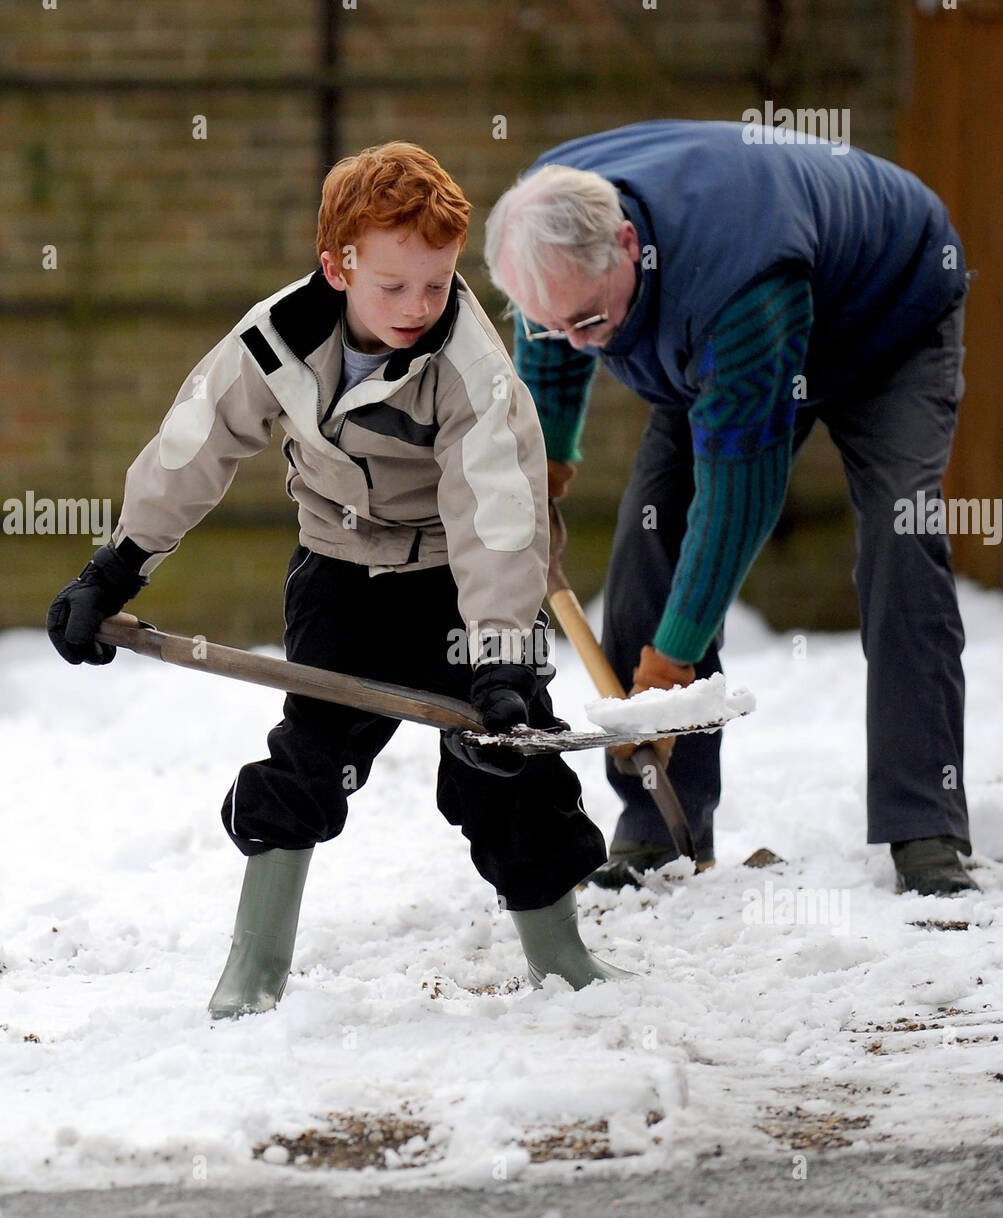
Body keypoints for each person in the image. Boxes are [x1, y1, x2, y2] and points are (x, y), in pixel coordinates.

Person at [46, 141, 629, 1018]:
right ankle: (253, 972)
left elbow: (496, 517)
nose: (417, 307)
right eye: (392, 287)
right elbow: (192, 448)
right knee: (312, 756)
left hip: (455, 582)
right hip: (339, 575)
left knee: (506, 765)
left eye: (434, 285)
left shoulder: (472, 368)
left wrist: (501, 658)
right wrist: (114, 568)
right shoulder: (275, 340)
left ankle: (562, 956)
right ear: (336, 267)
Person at [484, 118, 978, 897]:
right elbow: (549, 357)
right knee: (649, 532)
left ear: (623, 243)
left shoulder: (735, 283)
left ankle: (925, 828)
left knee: (898, 535)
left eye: (588, 323)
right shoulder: (544, 228)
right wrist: (537, 483)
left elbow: (740, 495)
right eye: (550, 323)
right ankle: (657, 826)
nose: (575, 344)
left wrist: (671, 660)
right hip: (721, 321)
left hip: (882, 321)